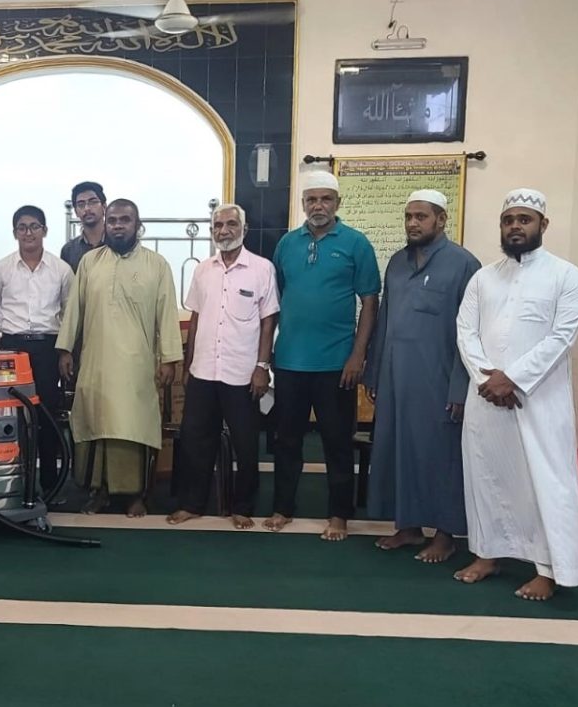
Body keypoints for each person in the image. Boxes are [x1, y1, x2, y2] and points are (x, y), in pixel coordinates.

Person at [454, 189, 578, 601]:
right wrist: (487, 379)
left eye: (524, 219)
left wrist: (511, 378)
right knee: (486, 475)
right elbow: (465, 330)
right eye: (508, 219)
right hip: (486, 397)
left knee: (546, 482)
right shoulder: (484, 277)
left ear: (542, 225)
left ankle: (550, 570)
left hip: (538, 399)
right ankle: (488, 553)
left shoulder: (567, 276)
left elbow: (562, 337)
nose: (515, 226)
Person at [363, 190, 480, 563]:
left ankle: (445, 535)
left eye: (421, 217)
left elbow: (473, 332)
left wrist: (461, 387)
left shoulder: (464, 264)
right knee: (397, 450)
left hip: (439, 380)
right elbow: (384, 321)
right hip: (395, 379)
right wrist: (374, 372)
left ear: (441, 220)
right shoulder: (396, 263)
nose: (413, 223)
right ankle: (409, 527)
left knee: (441, 456)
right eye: (409, 217)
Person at [270, 170, 380, 541]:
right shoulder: (287, 244)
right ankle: (283, 506)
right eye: (311, 199)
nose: (318, 206)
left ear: (337, 203)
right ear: (303, 204)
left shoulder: (356, 243)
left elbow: (369, 301)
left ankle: (339, 515)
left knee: (336, 441)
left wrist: (357, 355)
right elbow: (280, 296)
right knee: (286, 441)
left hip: (337, 364)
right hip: (288, 362)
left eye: (326, 199)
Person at [57, 198, 182, 517]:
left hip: (136, 364)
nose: (117, 225)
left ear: (138, 226)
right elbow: (74, 310)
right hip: (96, 360)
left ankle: (135, 496)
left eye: (125, 220)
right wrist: (66, 349)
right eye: (112, 220)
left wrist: (168, 358)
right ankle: (98, 493)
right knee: (96, 424)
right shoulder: (90, 263)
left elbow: (167, 313)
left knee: (134, 427)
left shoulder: (157, 265)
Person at [167, 203, 278, 530]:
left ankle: (242, 507)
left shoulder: (262, 269)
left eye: (231, 224)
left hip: (243, 373)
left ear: (243, 230)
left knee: (245, 444)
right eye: (218, 225)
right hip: (203, 371)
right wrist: (189, 366)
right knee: (195, 440)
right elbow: (197, 316)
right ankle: (192, 503)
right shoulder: (203, 269)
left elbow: (268, 320)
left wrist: (262, 366)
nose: (224, 230)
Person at [0, 205, 73, 493]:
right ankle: (12, 483)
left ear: (45, 231)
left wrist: (65, 352)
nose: (28, 232)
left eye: (34, 226)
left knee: (47, 415)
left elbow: (68, 313)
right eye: (22, 227)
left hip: (47, 348)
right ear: (15, 233)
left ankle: (49, 485)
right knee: (9, 416)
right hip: (11, 350)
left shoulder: (61, 270)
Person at [60, 181, 107, 272]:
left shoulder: (117, 242)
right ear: (76, 212)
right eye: (81, 204)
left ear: (104, 207)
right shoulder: (69, 250)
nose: (87, 208)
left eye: (93, 202)